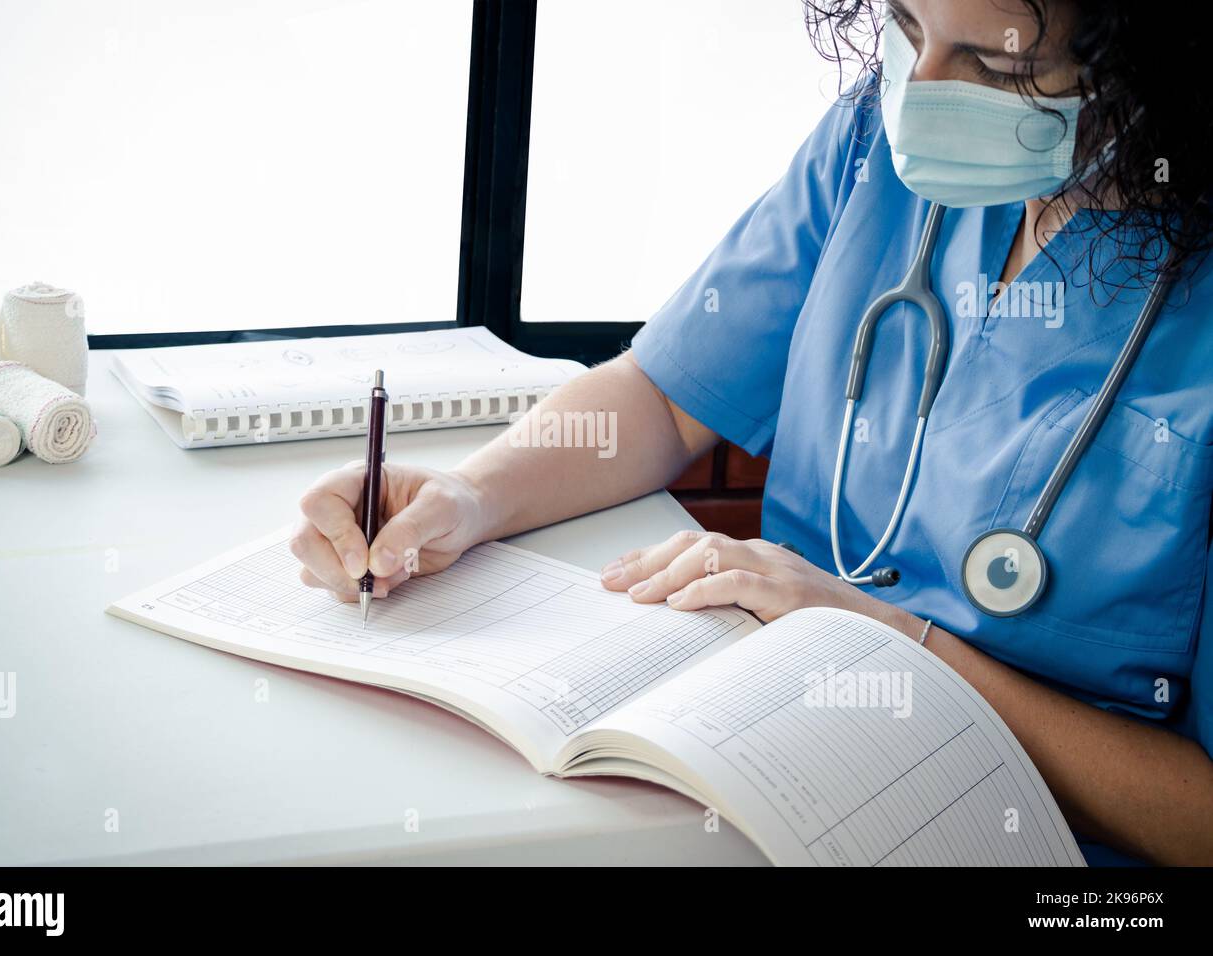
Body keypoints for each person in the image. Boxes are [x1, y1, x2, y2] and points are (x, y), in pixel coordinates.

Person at [292, 0, 1213, 865]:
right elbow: (660, 397)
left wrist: (896, 647)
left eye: (992, 62)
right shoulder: (874, 150)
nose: (922, 90)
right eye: (903, 22)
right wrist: (472, 494)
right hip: (769, 759)